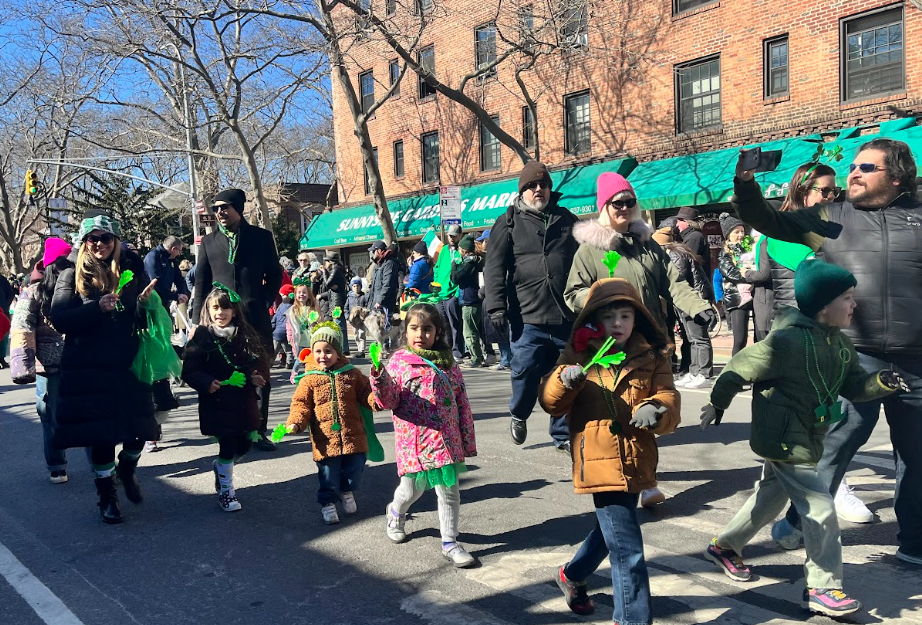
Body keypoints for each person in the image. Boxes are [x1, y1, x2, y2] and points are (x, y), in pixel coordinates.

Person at [733, 138, 922, 566]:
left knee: (916, 453)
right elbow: (764, 218)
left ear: (895, 177)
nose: (853, 173)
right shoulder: (830, 217)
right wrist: (745, 181)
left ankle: (914, 543)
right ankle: (799, 525)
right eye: (853, 166)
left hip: (916, 358)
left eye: (865, 168)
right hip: (851, 355)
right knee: (835, 444)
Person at [699, 259, 906, 617]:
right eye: (847, 297)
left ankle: (725, 546)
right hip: (783, 439)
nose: (854, 305)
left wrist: (880, 384)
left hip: (809, 437)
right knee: (821, 508)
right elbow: (737, 367)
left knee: (767, 501)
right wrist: (717, 403)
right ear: (824, 305)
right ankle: (824, 586)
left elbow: (855, 386)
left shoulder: (840, 345)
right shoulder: (787, 341)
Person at [540, 278, 680, 625]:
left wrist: (657, 408)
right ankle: (632, 619)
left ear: (637, 319)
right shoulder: (578, 351)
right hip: (598, 462)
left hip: (637, 459)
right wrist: (564, 380)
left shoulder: (652, 356)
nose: (617, 323)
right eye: (608, 316)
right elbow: (550, 403)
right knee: (628, 550)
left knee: (612, 534)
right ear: (593, 320)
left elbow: (669, 398)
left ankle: (572, 574)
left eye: (625, 315)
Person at [50, 210, 160, 524]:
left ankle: (127, 468)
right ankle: (107, 498)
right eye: (93, 238)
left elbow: (140, 318)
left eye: (105, 238)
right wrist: (96, 309)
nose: (99, 244)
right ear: (84, 241)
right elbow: (60, 318)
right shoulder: (71, 274)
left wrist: (147, 304)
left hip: (129, 363)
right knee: (102, 437)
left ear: (115, 240)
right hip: (89, 367)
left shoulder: (130, 270)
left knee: (140, 430)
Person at [370, 303, 478, 568]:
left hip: (446, 440)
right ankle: (396, 511)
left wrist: (466, 438)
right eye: (414, 328)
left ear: (438, 332)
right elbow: (389, 400)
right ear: (405, 332)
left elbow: (461, 401)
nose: (420, 334)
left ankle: (450, 542)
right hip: (415, 443)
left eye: (427, 329)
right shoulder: (399, 363)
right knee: (411, 490)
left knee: (449, 493)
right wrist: (379, 379)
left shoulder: (450, 364)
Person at [483, 161, 578, 452]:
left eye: (544, 185)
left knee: (564, 377)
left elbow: (586, 259)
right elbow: (494, 267)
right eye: (532, 186)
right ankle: (519, 413)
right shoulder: (508, 221)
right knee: (523, 373)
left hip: (565, 315)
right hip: (527, 315)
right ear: (522, 191)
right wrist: (496, 307)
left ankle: (561, 435)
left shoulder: (567, 219)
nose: (539, 189)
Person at [192, 188, 282, 451]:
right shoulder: (209, 243)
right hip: (220, 320)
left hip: (255, 318)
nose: (219, 212)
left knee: (260, 372)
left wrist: (262, 300)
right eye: (216, 208)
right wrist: (199, 319)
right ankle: (232, 427)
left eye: (224, 207)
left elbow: (275, 275)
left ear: (238, 209)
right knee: (226, 371)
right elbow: (201, 284)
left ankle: (259, 431)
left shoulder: (261, 238)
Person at [182, 285, 269, 512]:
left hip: (244, 401)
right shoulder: (202, 336)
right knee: (228, 445)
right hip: (217, 402)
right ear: (208, 311)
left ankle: (220, 467)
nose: (220, 313)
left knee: (245, 445)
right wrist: (205, 381)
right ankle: (227, 491)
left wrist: (257, 376)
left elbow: (257, 361)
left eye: (226, 308)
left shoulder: (245, 334)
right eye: (215, 308)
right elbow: (190, 369)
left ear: (234, 311)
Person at [285, 322, 375, 525]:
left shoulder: (352, 374)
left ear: (338, 352)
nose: (322, 356)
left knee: (355, 470)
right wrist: (296, 423)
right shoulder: (309, 379)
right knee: (328, 476)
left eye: (328, 351)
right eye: (318, 351)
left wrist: (376, 400)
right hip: (325, 440)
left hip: (354, 436)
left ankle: (347, 490)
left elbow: (366, 394)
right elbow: (301, 404)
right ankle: (328, 504)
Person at [10, 238, 74, 483]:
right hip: (48, 365)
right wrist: (22, 364)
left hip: (78, 359)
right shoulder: (34, 292)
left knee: (88, 411)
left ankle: (100, 464)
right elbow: (22, 327)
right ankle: (57, 464)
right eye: (62, 263)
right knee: (49, 414)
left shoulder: (80, 287)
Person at [761, 163, 836, 312]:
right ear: (802, 191)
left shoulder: (825, 228)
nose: (832, 197)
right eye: (825, 191)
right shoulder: (782, 230)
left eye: (835, 191)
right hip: (797, 323)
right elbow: (821, 271)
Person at [653, 226, 714, 389]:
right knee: (691, 338)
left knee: (699, 338)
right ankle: (695, 372)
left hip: (695, 301)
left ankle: (705, 374)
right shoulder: (676, 252)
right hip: (688, 301)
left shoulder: (674, 255)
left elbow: (679, 281)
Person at [143, 235, 189, 412]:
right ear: (173, 248)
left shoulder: (171, 261)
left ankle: (168, 383)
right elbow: (156, 283)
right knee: (157, 343)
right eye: (179, 250)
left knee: (166, 340)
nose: (179, 254)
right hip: (152, 304)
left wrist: (182, 293)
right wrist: (173, 296)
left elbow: (178, 278)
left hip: (164, 306)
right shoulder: (153, 257)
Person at [718, 213, 757, 355]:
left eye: (742, 231)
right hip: (736, 299)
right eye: (736, 232)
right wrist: (752, 276)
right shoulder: (725, 253)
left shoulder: (750, 248)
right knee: (740, 339)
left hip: (754, 294)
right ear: (728, 235)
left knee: (759, 337)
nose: (741, 235)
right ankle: (735, 370)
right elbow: (730, 273)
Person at [433, 225, 466, 360]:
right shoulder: (444, 250)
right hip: (440, 295)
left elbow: (463, 273)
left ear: (460, 235)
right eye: (450, 235)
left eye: (454, 235)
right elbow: (437, 268)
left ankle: (457, 351)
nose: (452, 238)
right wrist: (436, 287)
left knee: (455, 325)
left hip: (453, 294)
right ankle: (447, 350)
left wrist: (457, 293)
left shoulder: (461, 251)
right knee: (443, 325)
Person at [451, 236, 484, 368]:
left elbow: (456, 278)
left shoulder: (469, 263)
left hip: (470, 300)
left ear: (464, 250)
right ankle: (478, 356)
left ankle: (476, 357)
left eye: (460, 249)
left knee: (469, 332)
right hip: (471, 299)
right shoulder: (473, 262)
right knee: (472, 330)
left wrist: (454, 266)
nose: (458, 251)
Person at [287, 279, 322, 382]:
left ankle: (312, 374)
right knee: (299, 359)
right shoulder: (293, 310)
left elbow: (320, 321)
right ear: (295, 294)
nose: (301, 294)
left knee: (313, 357)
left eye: (304, 292)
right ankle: (294, 373)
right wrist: (290, 337)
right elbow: (289, 326)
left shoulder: (313, 308)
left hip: (312, 338)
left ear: (308, 294)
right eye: (299, 292)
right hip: (300, 339)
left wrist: (316, 322)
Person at [320, 251, 349, 354]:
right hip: (335, 300)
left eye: (326, 262)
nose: (325, 264)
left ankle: (343, 348)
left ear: (331, 262)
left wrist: (324, 272)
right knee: (339, 324)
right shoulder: (338, 270)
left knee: (339, 325)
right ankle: (344, 348)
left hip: (337, 302)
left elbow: (328, 284)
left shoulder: (335, 270)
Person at [675, 206, 712, 277]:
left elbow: (687, 263)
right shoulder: (693, 235)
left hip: (696, 284)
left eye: (679, 221)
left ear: (687, 222)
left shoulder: (694, 237)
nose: (677, 225)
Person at [271, 284, 295, 368]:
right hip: (287, 333)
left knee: (274, 350)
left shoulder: (281, 306)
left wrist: (272, 328)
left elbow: (275, 319)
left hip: (277, 333)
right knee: (288, 350)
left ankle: (269, 363)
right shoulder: (294, 307)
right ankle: (289, 363)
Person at [344, 277, 367, 358]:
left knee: (362, 334)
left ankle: (362, 350)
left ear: (360, 287)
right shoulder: (349, 298)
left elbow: (366, 307)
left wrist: (364, 315)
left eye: (358, 286)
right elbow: (346, 308)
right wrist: (347, 317)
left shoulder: (363, 296)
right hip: (353, 321)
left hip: (361, 320)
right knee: (356, 335)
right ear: (351, 287)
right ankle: (358, 349)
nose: (356, 288)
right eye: (354, 286)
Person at [0, 271, 14, 368]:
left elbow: (10, 293)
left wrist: (5, 304)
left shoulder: (2, 279)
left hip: (3, 312)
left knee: (4, 337)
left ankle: (1, 358)